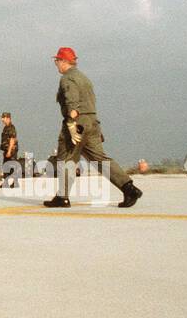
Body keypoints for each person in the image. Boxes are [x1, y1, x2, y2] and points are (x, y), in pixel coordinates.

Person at [43, 47, 142, 209]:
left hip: (77, 123)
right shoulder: (84, 78)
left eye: (57, 61)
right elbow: (90, 103)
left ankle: (62, 197)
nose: (56, 65)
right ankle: (129, 188)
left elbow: (72, 104)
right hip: (92, 122)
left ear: (63, 61)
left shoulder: (67, 79)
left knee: (66, 159)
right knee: (100, 159)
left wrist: (71, 124)